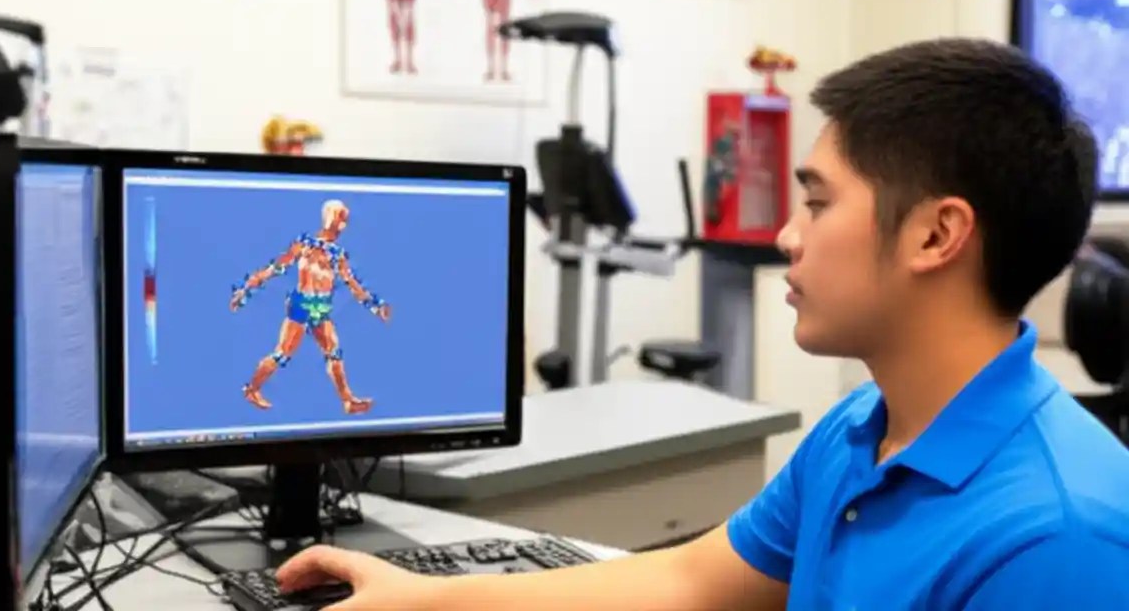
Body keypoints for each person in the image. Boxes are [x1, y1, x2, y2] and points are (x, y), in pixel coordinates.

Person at [273, 38, 1129, 609]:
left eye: (818, 203)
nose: (787, 235)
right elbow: (686, 577)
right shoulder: (860, 433)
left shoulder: (1058, 540)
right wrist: (420, 597)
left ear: (936, 235)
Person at [229, 200, 391, 415]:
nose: (342, 224)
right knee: (282, 354)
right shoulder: (305, 244)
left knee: (333, 353)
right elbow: (275, 268)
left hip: (321, 309)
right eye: (339, 217)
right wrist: (246, 289)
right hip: (301, 306)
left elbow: (352, 285)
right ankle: (252, 389)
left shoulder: (337, 255)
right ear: (330, 218)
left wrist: (375, 306)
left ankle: (348, 401)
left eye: (344, 219)